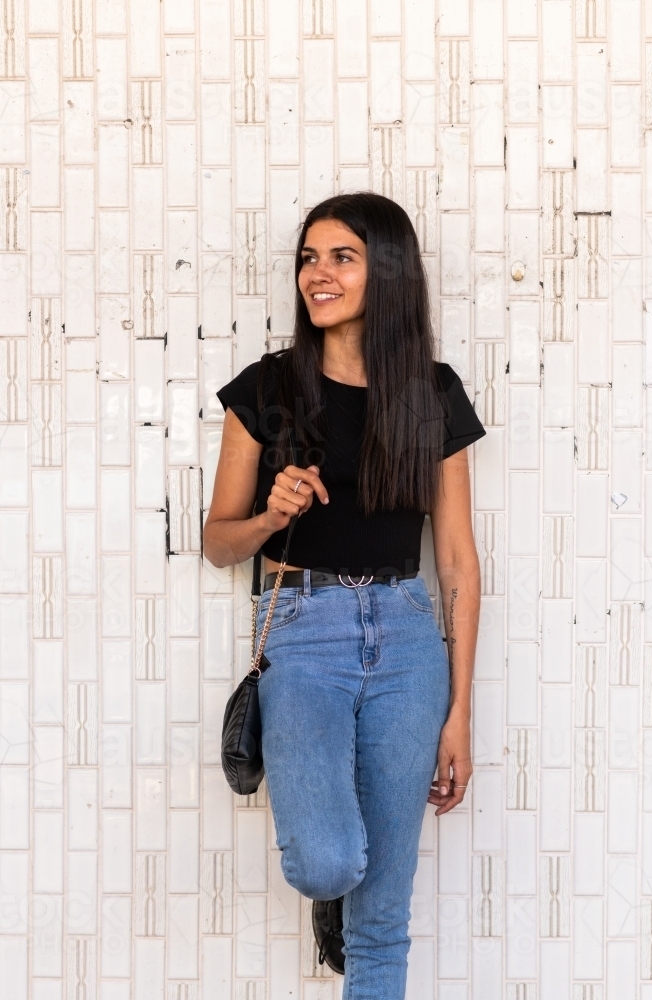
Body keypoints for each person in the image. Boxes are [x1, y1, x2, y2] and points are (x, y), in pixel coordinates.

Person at [204, 192, 485, 999]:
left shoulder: (432, 393)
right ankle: (336, 895)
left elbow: (458, 559)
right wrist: (267, 514)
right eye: (308, 258)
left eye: (341, 257)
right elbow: (218, 542)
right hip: (302, 631)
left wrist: (459, 708)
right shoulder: (266, 388)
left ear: (387, 272)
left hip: (404, 636)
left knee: (381, 923)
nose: (316, 275)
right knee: (331, 861)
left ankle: (355, 918)